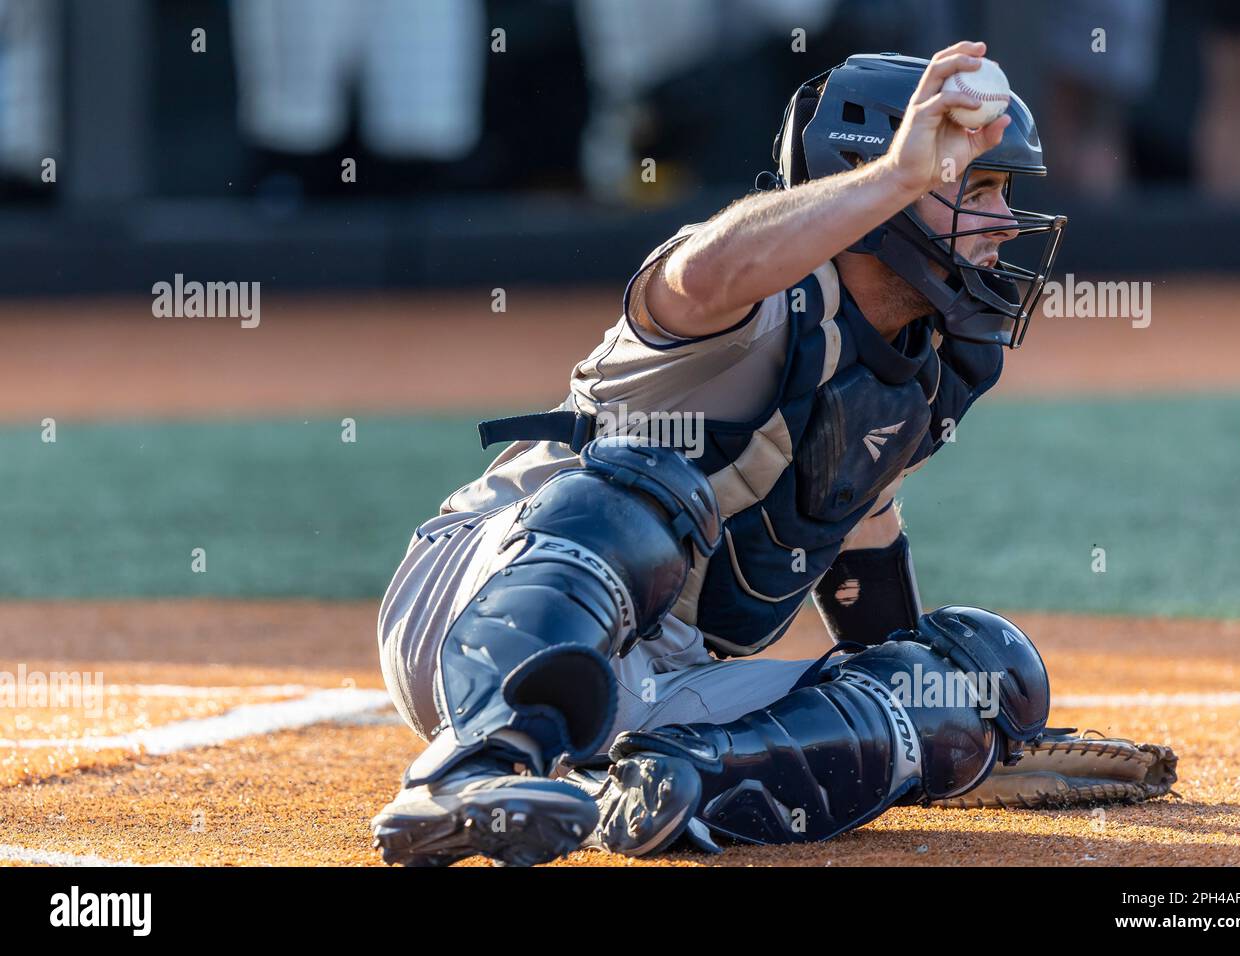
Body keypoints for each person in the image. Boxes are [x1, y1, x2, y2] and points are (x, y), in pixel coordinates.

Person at [370, 42, 1170, 867]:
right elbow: (708, 270)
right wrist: (897, 176)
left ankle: (668, 789)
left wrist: (935, 736)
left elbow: (858, 532)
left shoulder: (930, 361)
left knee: (973, 682)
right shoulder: (751, 295)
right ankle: (473, 770)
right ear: (880, 181)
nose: (1005, 221)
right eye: (981, 186)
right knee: (646, 488)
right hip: (478, 611)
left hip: (656, 679)